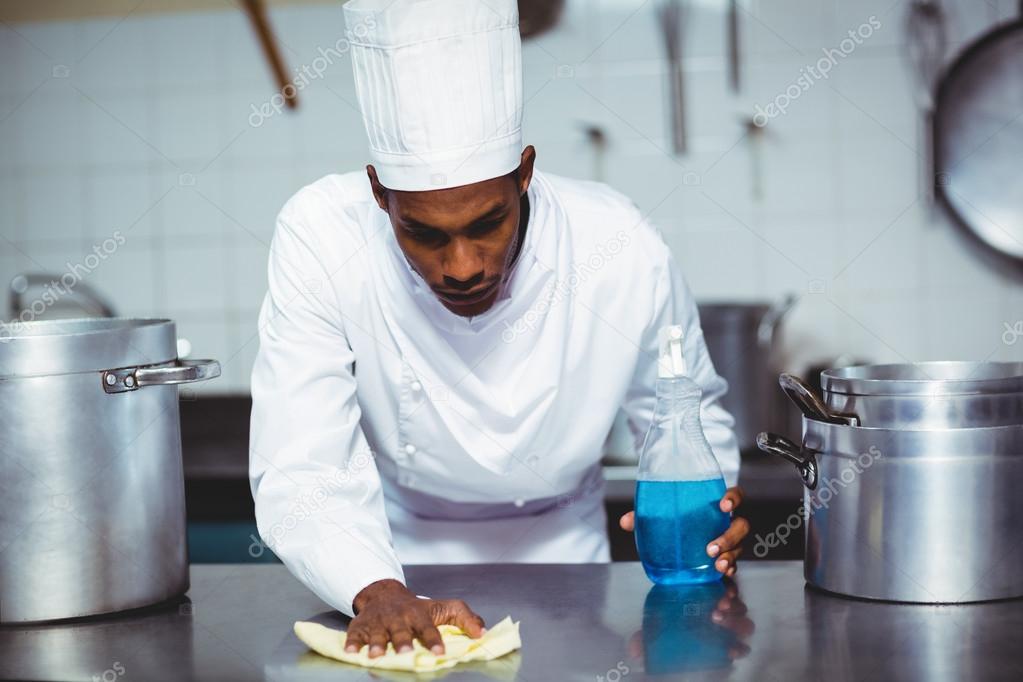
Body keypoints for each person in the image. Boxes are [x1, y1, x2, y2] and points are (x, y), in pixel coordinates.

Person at [249, 0, 748, 659]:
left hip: (573, 567)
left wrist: (705, 513)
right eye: (423, 234)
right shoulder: (320, 235)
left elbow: (685, 407)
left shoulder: (617, 242)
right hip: (389, 562)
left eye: (487, 224)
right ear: (378, 193)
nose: (461, 267)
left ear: (524, 173)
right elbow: (302, 460)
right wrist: (372, 589)